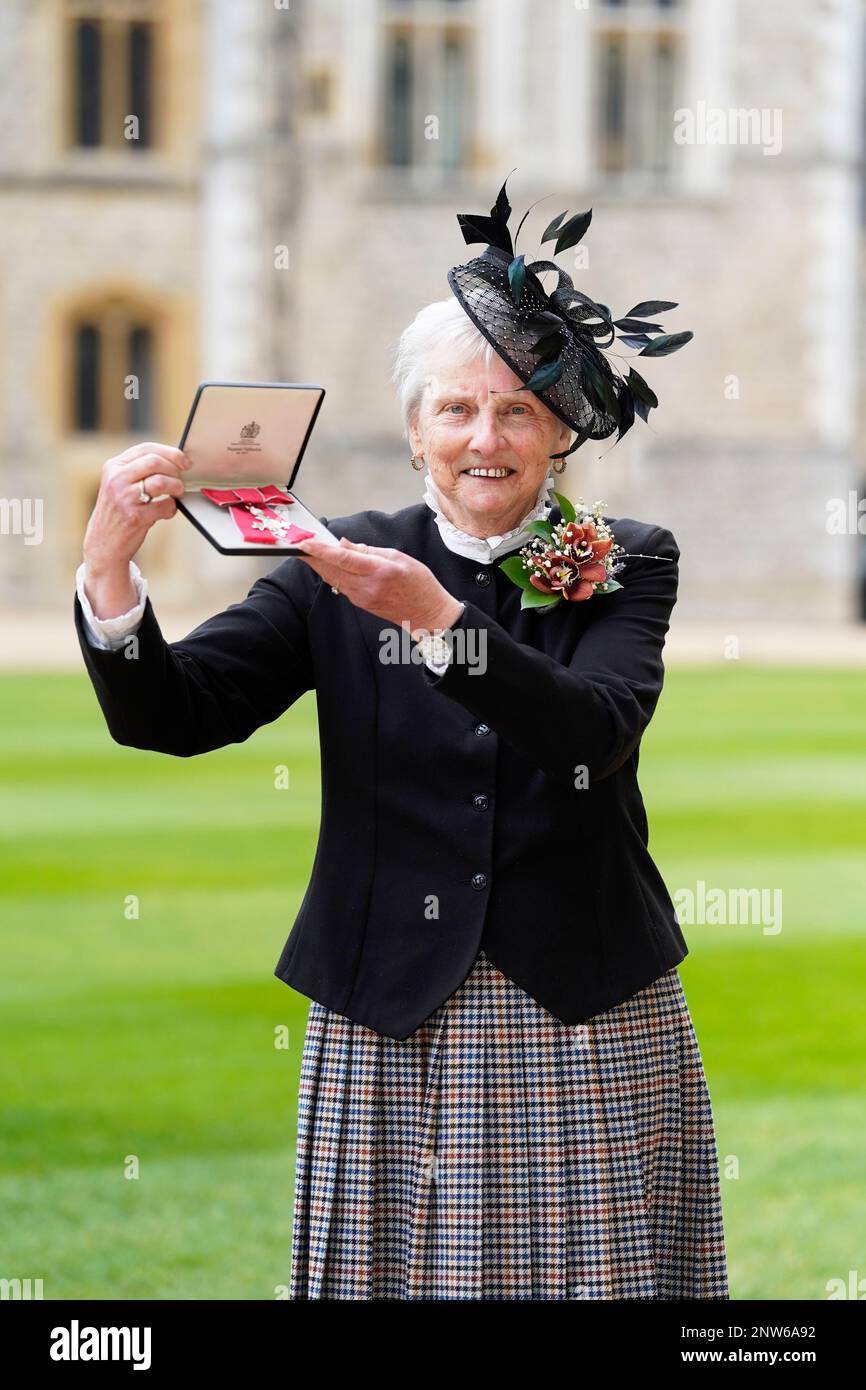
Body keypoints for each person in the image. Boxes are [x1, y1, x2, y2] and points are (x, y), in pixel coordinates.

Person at [74, 180, 728, 1301]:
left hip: (579, 994)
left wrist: (434, 617)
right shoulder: (335, 560)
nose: (486, 437)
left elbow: (592, 734)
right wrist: (108, 573)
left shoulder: (626, 556)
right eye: (456, 410)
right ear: (415, 428)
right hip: (388, 1001)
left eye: (517, 409)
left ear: (559, 431)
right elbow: (171, 718)